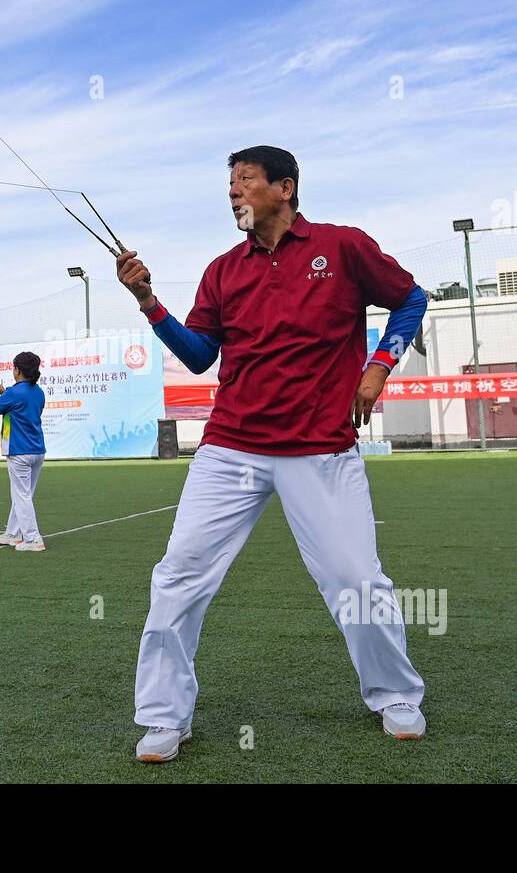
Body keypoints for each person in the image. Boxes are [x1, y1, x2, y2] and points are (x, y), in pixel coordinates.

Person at [116, 145, 430, 763]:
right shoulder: (222, 269)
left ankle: (395, 694)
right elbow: (201, 354)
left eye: (246, 181)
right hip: (230, 448)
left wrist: (378, 367)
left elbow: (411, 299)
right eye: (230, 183)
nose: (234, 192)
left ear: (284, 188)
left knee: (356, 579)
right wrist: (148, 301)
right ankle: (162, 718)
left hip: (322, 448)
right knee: (178, 578)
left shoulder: (343, 246)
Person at [0, 352, 47, 552]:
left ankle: (33, 538)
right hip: (37, 450)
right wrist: (4, 393)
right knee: (22, 494)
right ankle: (13, 533)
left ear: (18, 370)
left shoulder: (13, 393)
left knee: (21, 495)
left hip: (19, 450)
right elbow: (18, 403)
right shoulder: (38, 392)